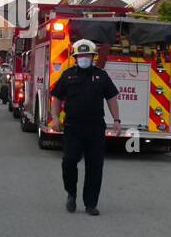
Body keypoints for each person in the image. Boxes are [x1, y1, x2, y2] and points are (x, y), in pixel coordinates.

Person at [49, 39, 121, 217]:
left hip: (95, 129)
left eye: (86, 55)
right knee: (69, 162)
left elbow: (111, 98)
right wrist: (56, 117)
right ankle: (71, 193)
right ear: (75, 57)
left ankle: (91, 204)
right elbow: (56, 98)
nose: (83, 58)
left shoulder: (101, 76)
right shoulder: (67, 76)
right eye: (80, 55)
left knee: (95, 167)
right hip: (73, 128)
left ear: (93, 57)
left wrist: (117, 120)